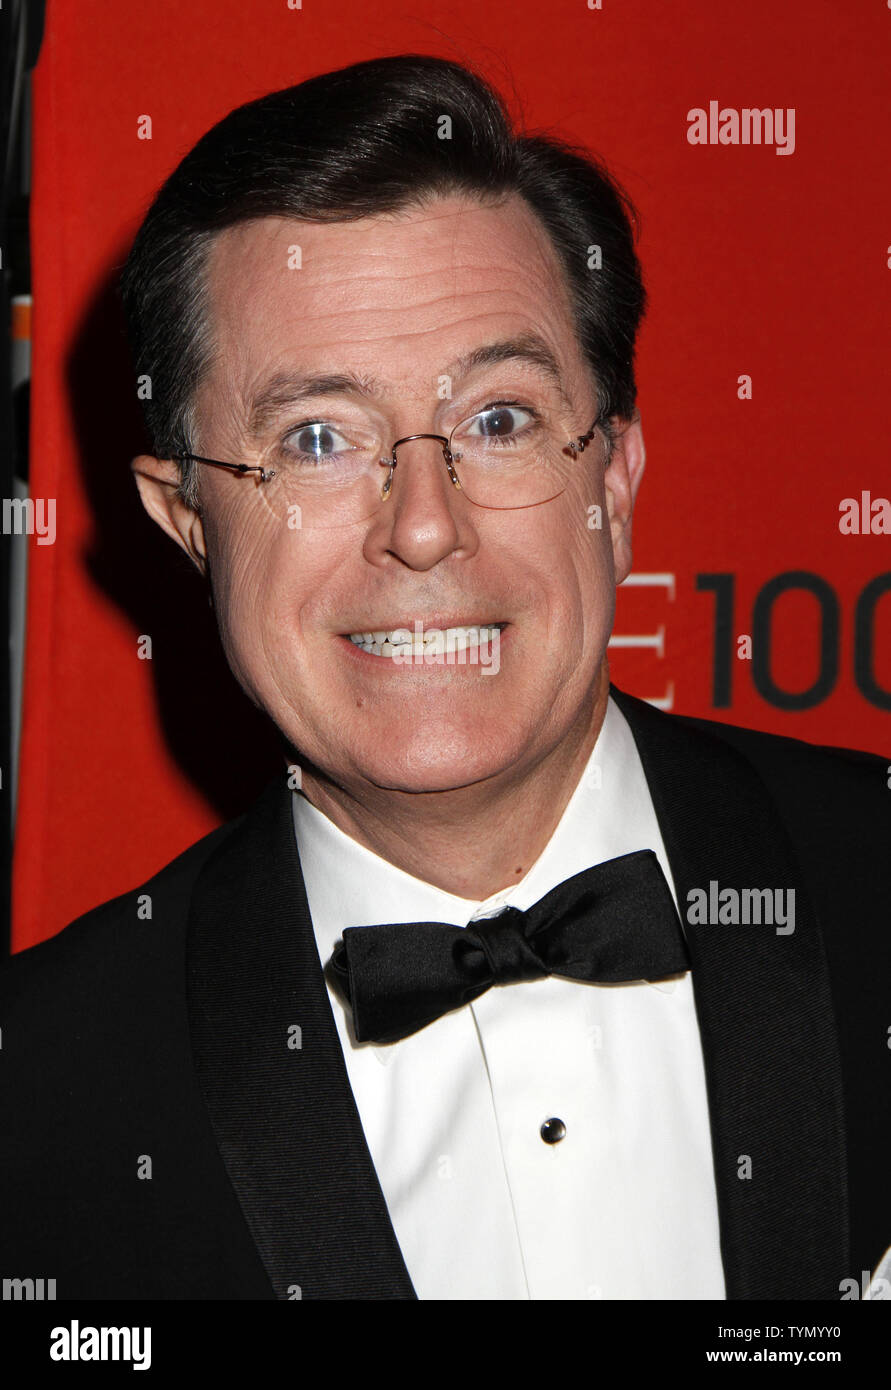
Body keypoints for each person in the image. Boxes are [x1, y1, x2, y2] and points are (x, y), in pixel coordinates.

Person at [1, 54, 888, 1303]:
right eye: (317, 438)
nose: (423, 526)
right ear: (186, 518)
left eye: (499, 419)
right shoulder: (40, 1095)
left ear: (613, 479)